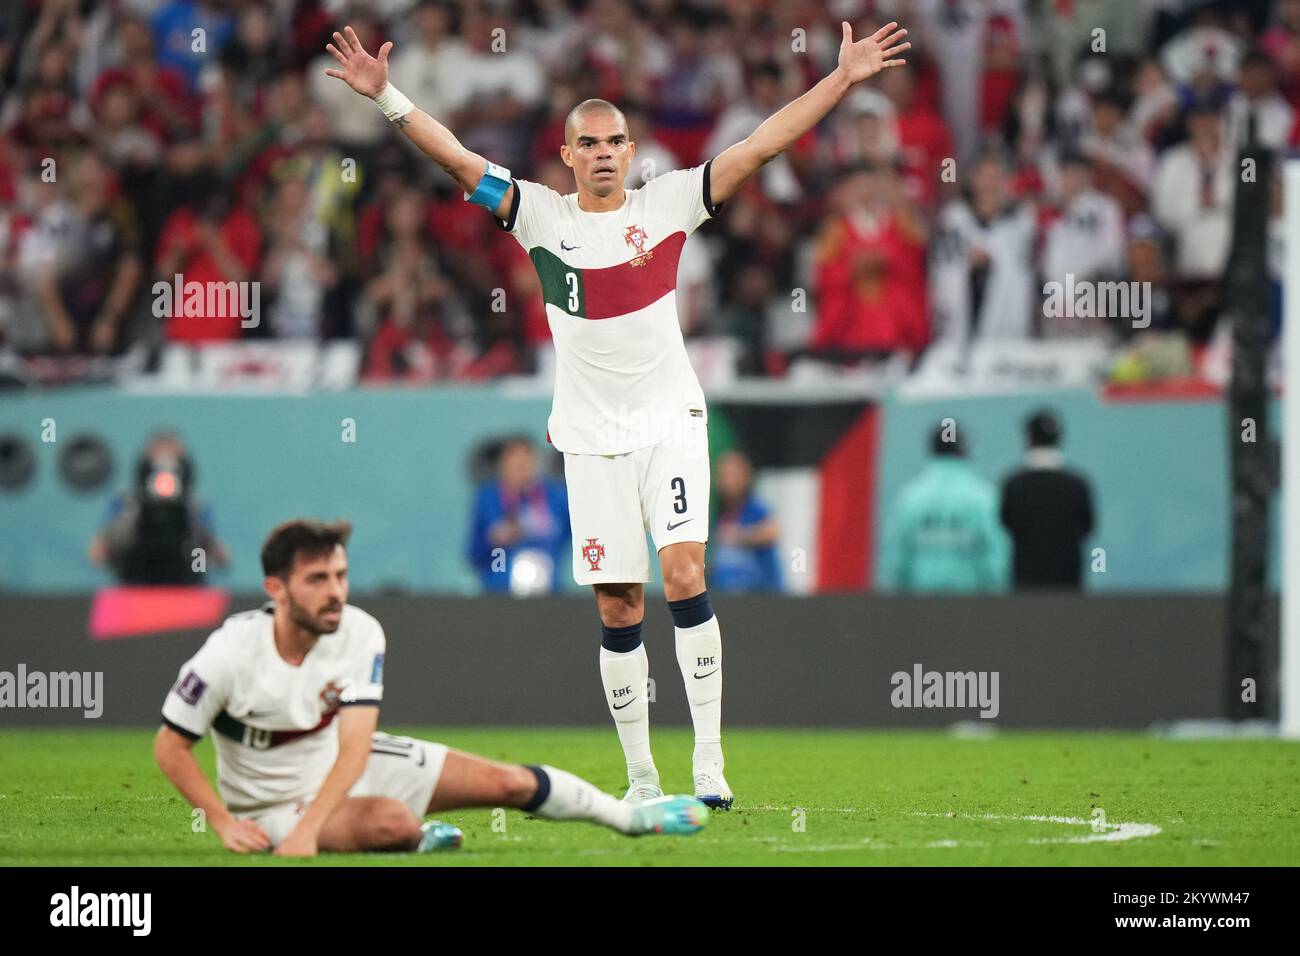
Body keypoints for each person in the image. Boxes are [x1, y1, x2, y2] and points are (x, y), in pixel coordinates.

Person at [323, 19, 911, 808]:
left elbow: (761, 146)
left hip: (670, 421)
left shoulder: (669, 204)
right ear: (568, 155)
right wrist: (387, 96)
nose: (604, 151)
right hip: (591, 441)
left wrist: (840, 80)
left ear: (632, 153)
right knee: (619, 602)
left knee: (684, 572)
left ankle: (709, 762)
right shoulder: (537, 217)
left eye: (616, 141)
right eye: (589, 142)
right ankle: (640, 774)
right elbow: (458, 159)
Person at [153, 519, 707, 857]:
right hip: (273, 802)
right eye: (317, 580)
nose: (335, 593)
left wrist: (316, 828)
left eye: (341, 576)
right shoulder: (230, 651)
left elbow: (354, 746)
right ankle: (415, 837)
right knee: (392, 821)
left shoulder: (360, 631)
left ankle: (630, 817)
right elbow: (170, 745)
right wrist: (226, 822)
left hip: (351, 762)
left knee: (507, 782)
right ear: (276, 588)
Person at [88, 430, 229, 584]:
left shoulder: (196, 506)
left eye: (172, 457)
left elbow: (218, 554)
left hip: (185, 585)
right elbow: (99, 552)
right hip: (135, 584)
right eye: (158, 456)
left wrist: (210, 553)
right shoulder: (126, 503)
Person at [882, 424, 1008, 593]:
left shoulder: (910, 498)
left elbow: (897, 559)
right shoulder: (983, 498)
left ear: (932, 449)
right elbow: (996, 558)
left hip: (920, 604)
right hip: (972, 606)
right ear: (965, 450)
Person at [1000, 410, 1095, 590]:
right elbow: (1088, 527)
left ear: (1027, 439)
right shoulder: (1077, 485)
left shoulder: (1013, 485)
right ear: (1059, 438)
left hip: (1025, 585)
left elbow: (1005, 525)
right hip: (1068, 586)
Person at [466, 436, 569, 595]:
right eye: (515, 464)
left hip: (549, 593)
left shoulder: (555, 497)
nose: (522, 469)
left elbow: (570, 535)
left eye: (526, 462)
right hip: (499, 592)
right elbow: (473, 552)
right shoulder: (488, 498)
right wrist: (495, 540)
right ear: (503, 465)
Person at [710, 450, 781, 592]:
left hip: (759, 595)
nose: (729, 482)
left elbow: (773, 531)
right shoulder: (715, 513)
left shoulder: (756, 509)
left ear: (746, 477)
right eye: (725, 475)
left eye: (734, 475)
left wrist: (738, 536)